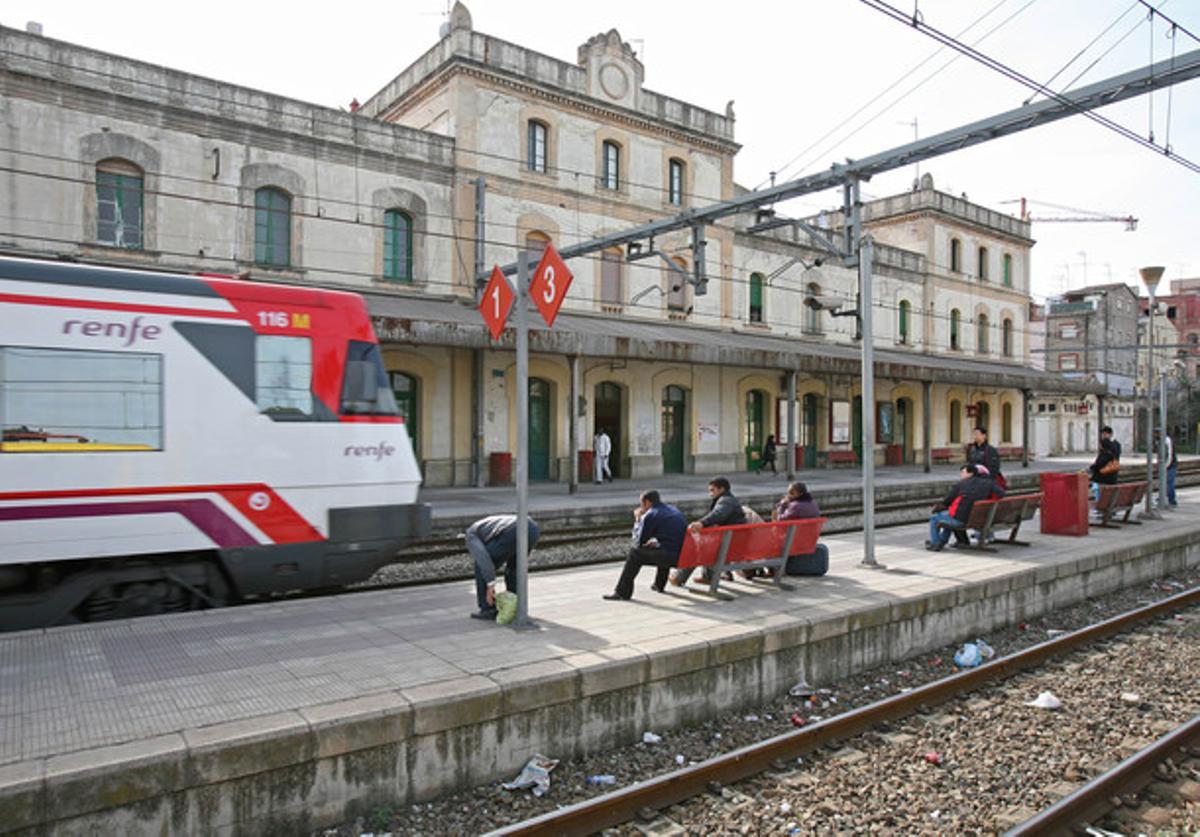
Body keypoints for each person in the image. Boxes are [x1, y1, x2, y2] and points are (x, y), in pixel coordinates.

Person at [603, 490, 688, 600]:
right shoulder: (674, 510)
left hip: (671, 558)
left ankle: (622, 592)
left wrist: (638, 519)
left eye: (641, 503)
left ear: (647, 502)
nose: (641, 506)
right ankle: (659, 585)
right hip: (683, 555)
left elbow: (638, 541)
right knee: (663, 546)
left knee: (634, 554)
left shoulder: (651, 514)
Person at [670, 476, 746, 586]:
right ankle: (706, 576)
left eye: (712, 490)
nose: (710, 494)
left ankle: (679, 577)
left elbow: (718, 515)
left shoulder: (726, 501)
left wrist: (701, 523)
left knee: (699, 548)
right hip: (734, 540)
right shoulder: (728, 499)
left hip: (731, 543)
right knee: (706, 544)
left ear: (722, 489)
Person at [464, 514, 540, 620]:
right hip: (533, 528)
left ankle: (488, 609)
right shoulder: (483, 526)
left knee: (480, 566)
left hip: (514, 530)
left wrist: (490, 585)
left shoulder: (470, 535)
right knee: (514, 569)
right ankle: (515, 606)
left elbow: (483, 559)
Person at [926, 464, 1003, 551]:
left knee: (935, 518)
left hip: (962, 519)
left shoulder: (962, 484)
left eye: (963, 472)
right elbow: (1001, 494)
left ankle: (935, 543)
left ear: (971, 473)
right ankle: (941, 541)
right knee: (947, 517)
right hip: (978, 519)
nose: (961, 474)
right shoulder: (988, 483)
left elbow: (947, 501)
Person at [773, 481, 828, 575]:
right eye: (788, 492)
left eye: (792, 492)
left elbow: (779, 520)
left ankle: (773, 569)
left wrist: (782, 505)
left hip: (795, 541)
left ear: (800, 494)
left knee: (771, 539)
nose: (788, 495)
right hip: (810, 540)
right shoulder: (813, 504)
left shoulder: (795, 506)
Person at [1087, 427, 1120, 501]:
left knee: (1093, 481)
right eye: (1103, 434)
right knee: (1094, 480)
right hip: (1112, 478)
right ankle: (1098, 498)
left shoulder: (1106, 452)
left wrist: (1091, 468)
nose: (1103, 435)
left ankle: (1096, 499)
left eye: (1105, 434)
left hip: (1104, 478)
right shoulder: (1116, 446)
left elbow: (1099, 464)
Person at [966, 426, 1004, 490]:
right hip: (973, 480)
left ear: (984, 436)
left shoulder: (990, 449)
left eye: (977, 434)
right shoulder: (972, 449)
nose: (975, 436)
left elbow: (994, 468)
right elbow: (969, 463)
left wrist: (987, 481)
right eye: (974, 434)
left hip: (985, 481)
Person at [1161, 429, 1178, 508]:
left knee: (1169, 483)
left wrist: (1166, 466)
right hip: (1167, 465)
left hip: (1170, 465)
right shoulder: (1163, 440)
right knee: (1165, 483)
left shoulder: (1167, 441)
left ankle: (1172, 500)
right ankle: (1163, 497)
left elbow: (1170, 454)